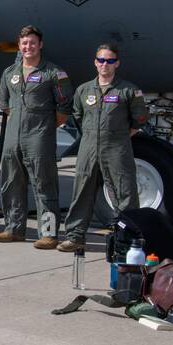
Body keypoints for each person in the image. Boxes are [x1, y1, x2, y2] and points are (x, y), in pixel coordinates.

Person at [58, 44, 148, 252]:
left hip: (116, 147)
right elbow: (78, 116)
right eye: (101, 60)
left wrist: (117, 137)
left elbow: (138, 120)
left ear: (117, 63)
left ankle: (128, 239)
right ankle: (75, 236)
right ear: (95, 62)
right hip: (88, 146)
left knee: (124, 193)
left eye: (109, 61)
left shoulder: (128, 90)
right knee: (82, 191)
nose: (104, 65)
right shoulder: (84, 90)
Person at [0, 25, 73, 247]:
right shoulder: (10, 73)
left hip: (39, 136)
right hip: (13, 136)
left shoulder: (53, 73)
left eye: (32, 42)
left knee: (44, 184)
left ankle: (48, 233)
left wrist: (43, 126)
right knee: (11, 183)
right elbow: (6, 106)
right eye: (24, 43)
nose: (28, 47)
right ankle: (13, 228)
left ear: (40, 45)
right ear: (19, 46)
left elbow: (65, 107)